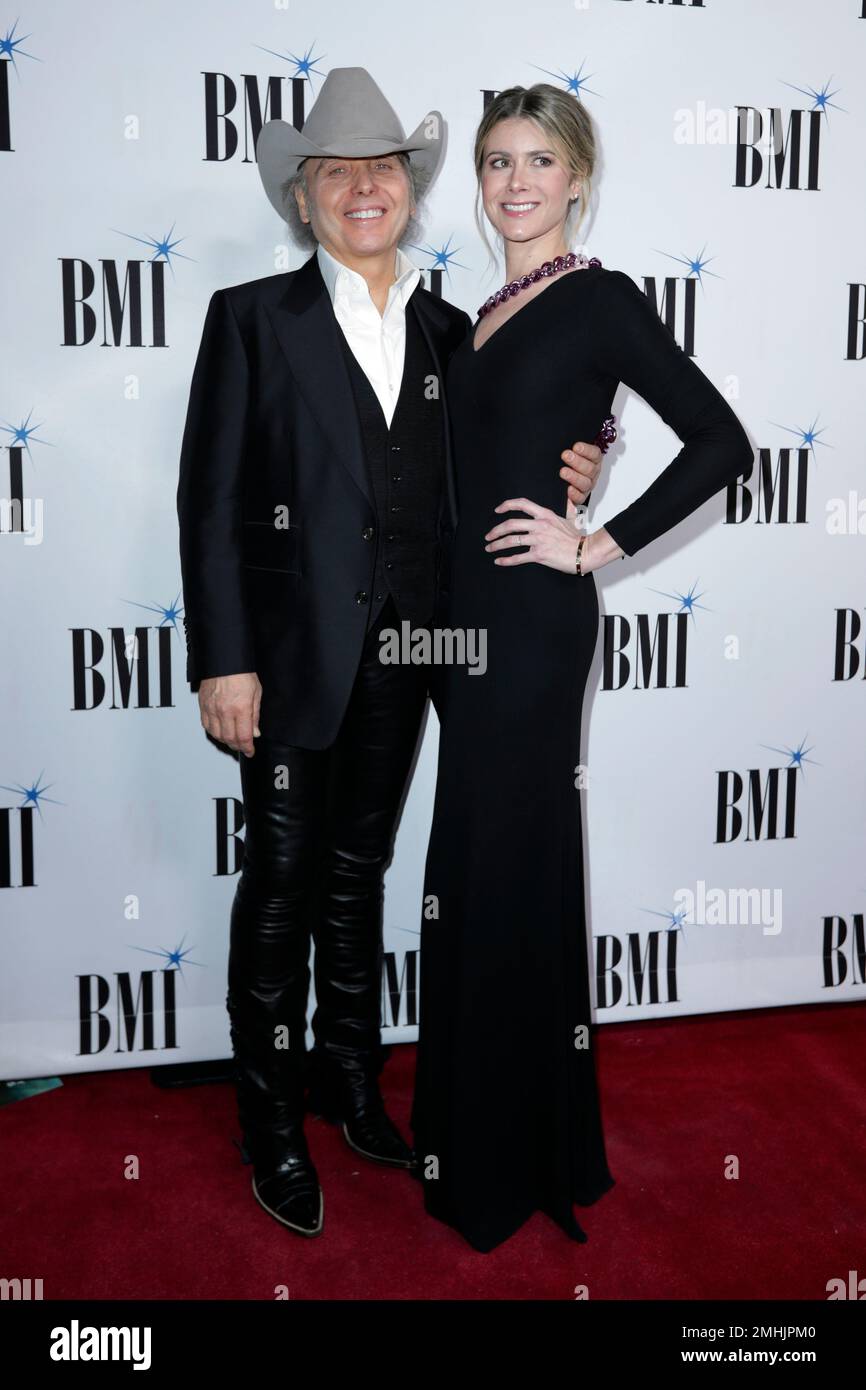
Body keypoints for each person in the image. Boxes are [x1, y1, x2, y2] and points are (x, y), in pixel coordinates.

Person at [176, 68, 606, 1238]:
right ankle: (270, 1127)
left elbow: (506, 452)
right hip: (283, 662)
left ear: (409, 193)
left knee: (358, 877)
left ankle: (353, 1087)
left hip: (415, 658)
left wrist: (584, 462)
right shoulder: (250, 318)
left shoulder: (449, 327)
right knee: (277, 892)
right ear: (302, 197)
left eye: (380, 169)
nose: (360, 188)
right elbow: (210, 504)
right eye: (333, 173)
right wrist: (223, 658)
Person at [410, 82, 754, 1253]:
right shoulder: (470, 317)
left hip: (534, 627)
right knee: (474, 859)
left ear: (576, 178)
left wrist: (595, 541)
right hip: (461, 630)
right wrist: (592, 447)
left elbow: (721, 440)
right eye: (498, 161)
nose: (514, 182)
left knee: (506, 862)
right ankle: (490, 1138)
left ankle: (509, 1165)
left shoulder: (601, 299)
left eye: (538, 162)